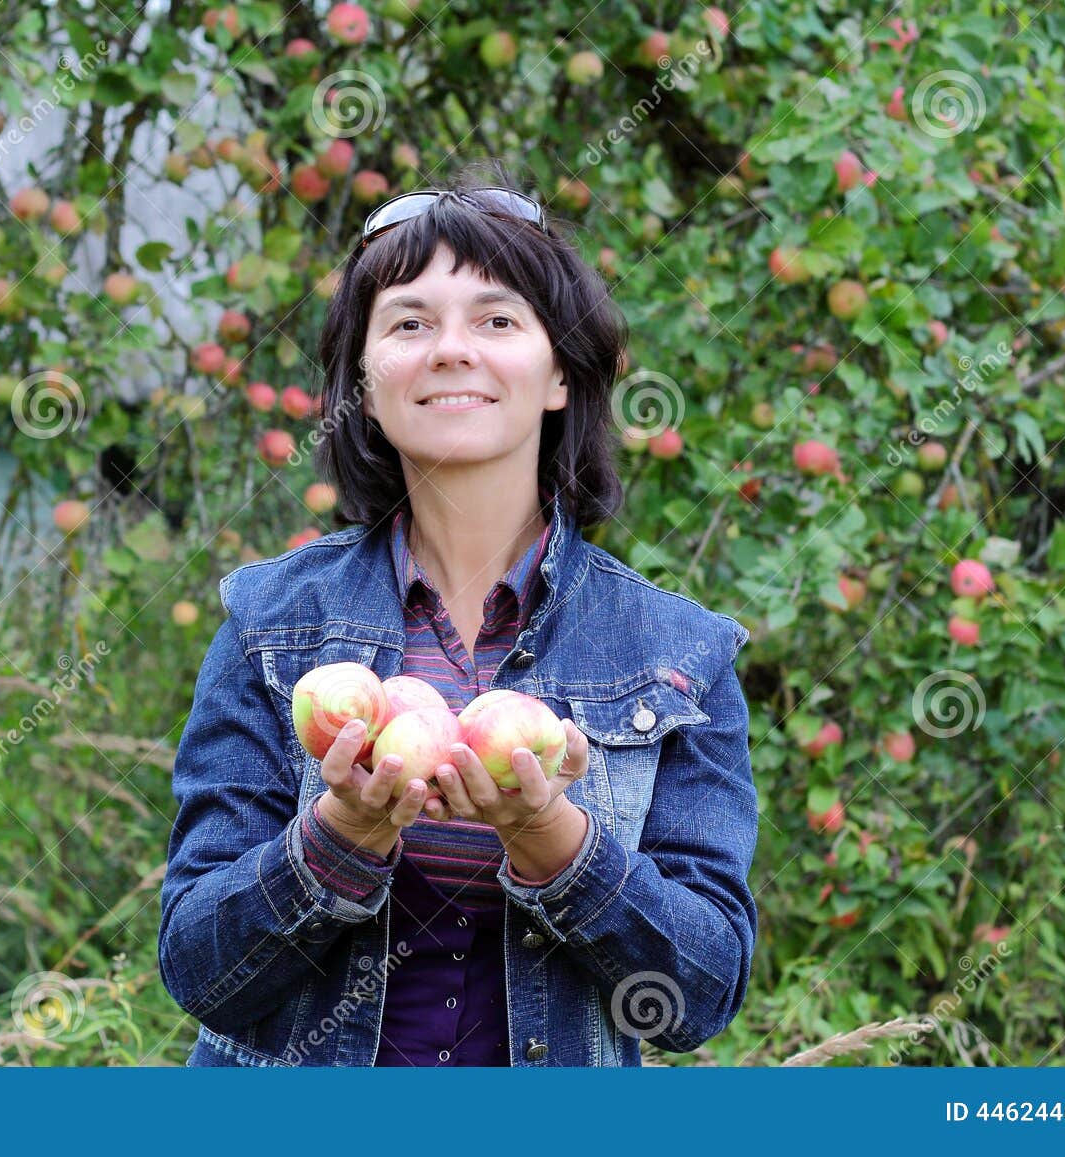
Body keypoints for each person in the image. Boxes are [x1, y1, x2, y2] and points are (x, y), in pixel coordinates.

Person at [159, 162, 759, 1066]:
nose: (449, 348)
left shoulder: (679, 654)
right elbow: (200, 970)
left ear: (560, 374)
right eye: (408, 322)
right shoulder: (268, 622)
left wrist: (549, 837)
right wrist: (340, 836)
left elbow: (698, 998)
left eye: (496, 318)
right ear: (364, 376)